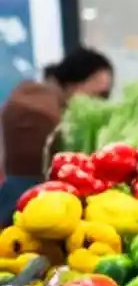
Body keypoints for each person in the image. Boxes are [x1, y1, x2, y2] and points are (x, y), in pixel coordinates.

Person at [0, 48, 114, 224]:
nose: (101, 104)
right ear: (73, 84)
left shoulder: (34, 99)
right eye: (99, 95)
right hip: (20, 209)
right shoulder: (39, 111)